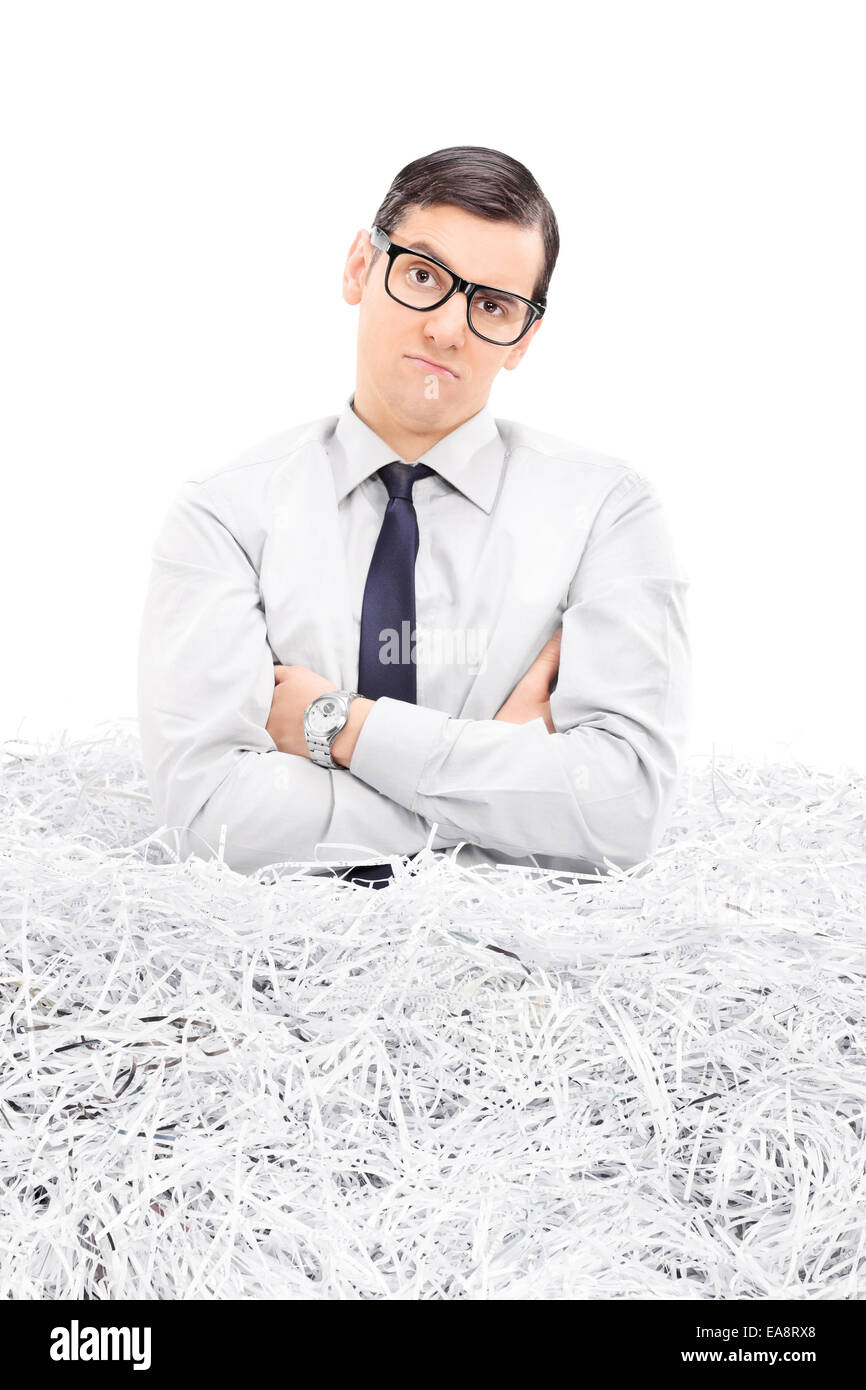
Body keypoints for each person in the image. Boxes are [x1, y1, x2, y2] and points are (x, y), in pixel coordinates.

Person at [136, 145, 691, 886]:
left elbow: (623, 813)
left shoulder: (608, 513)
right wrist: (501, 778)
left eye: (492, 304)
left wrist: (338, 725)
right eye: (424, 276)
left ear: (525, 338)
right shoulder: (224, 514)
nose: (447, 330)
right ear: (360, 268)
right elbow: (208, 821)